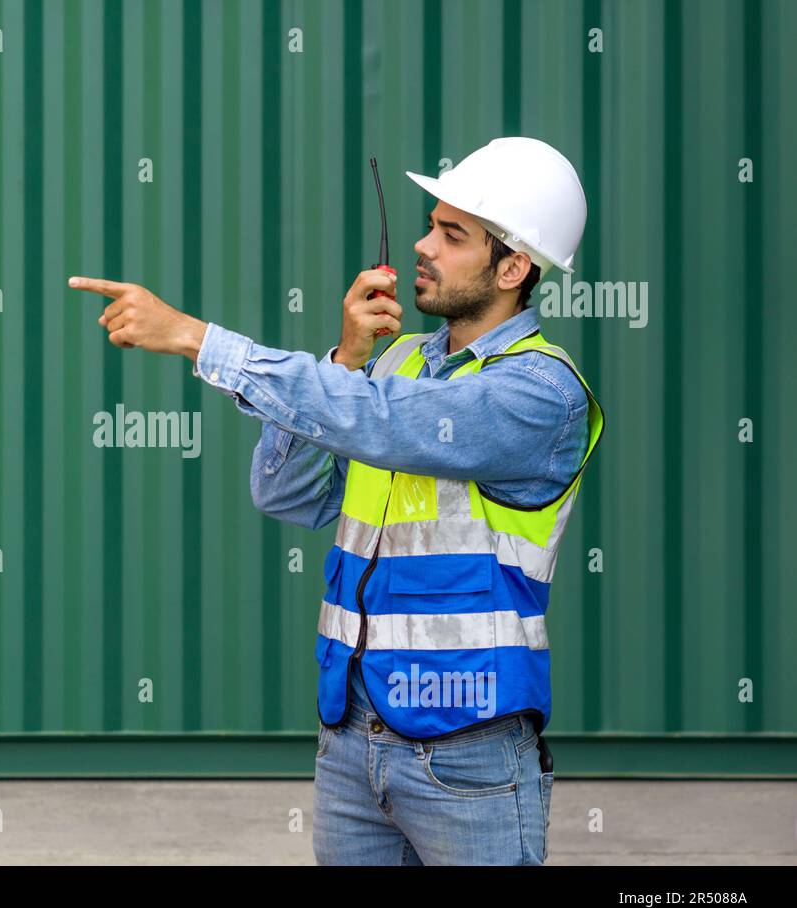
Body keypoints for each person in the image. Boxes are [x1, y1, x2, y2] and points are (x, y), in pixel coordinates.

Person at [68, 137, 605, 865]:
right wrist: (345, 359)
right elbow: (284, 492)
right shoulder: (397, 361)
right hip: (352, 740)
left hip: (469, 755)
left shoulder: (540, 393)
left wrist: (199, 340)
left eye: (452, 235)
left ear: (513, 267)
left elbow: (382, 422)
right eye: (429, 224)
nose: (422, 245)